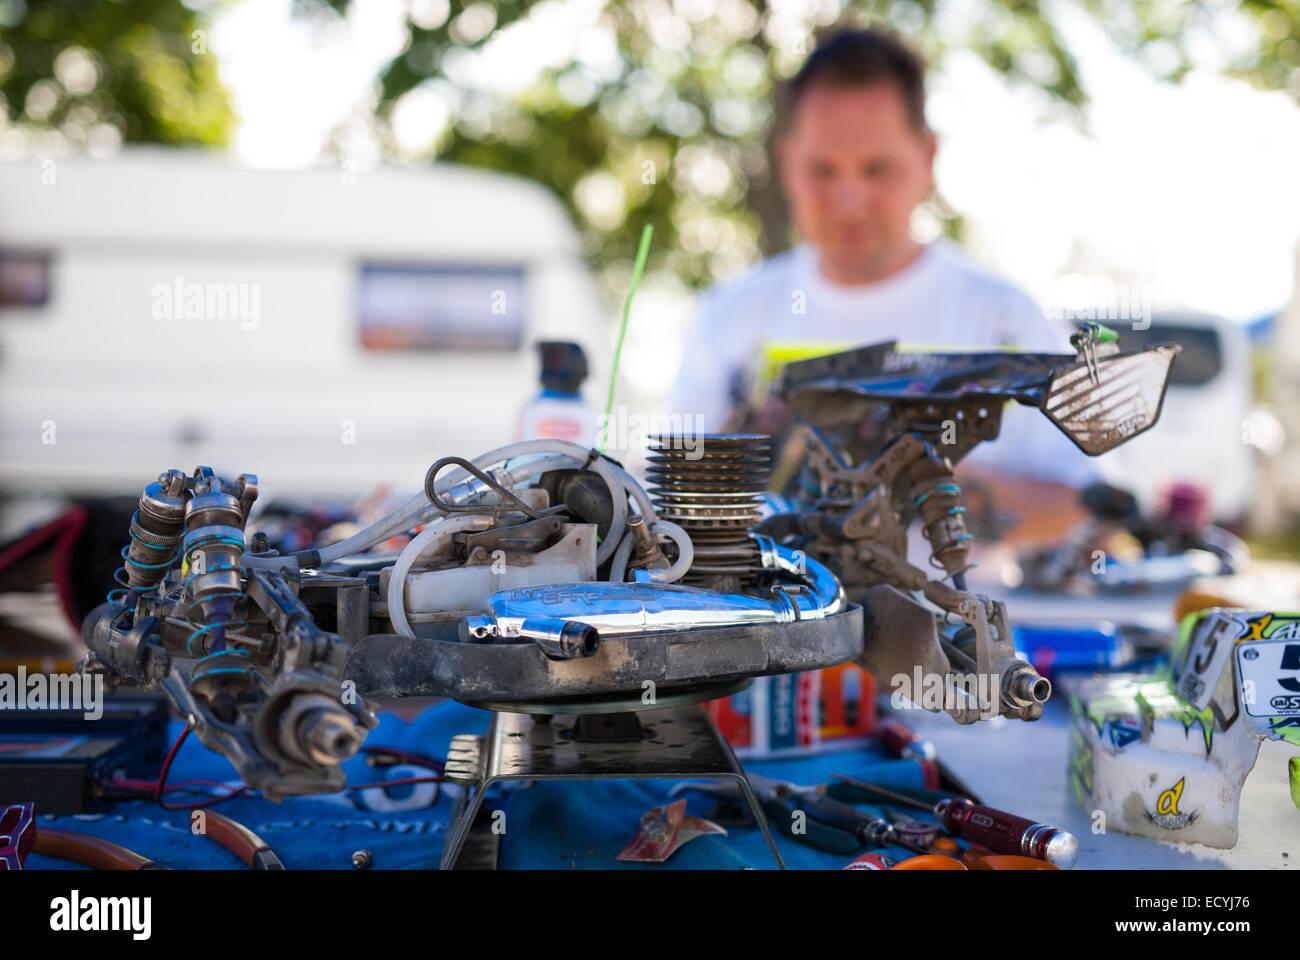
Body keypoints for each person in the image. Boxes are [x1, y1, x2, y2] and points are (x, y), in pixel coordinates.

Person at [667, 26, 1097, 544]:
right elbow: (673, 499)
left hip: (954, 625)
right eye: (823, 170)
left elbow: (1087, 506)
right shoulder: (729, 314)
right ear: (787, 163)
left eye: (877, 169)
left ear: (928, 159)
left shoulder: (1009, 318)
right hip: (771, 625)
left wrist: (928, 481)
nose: (849, 199)